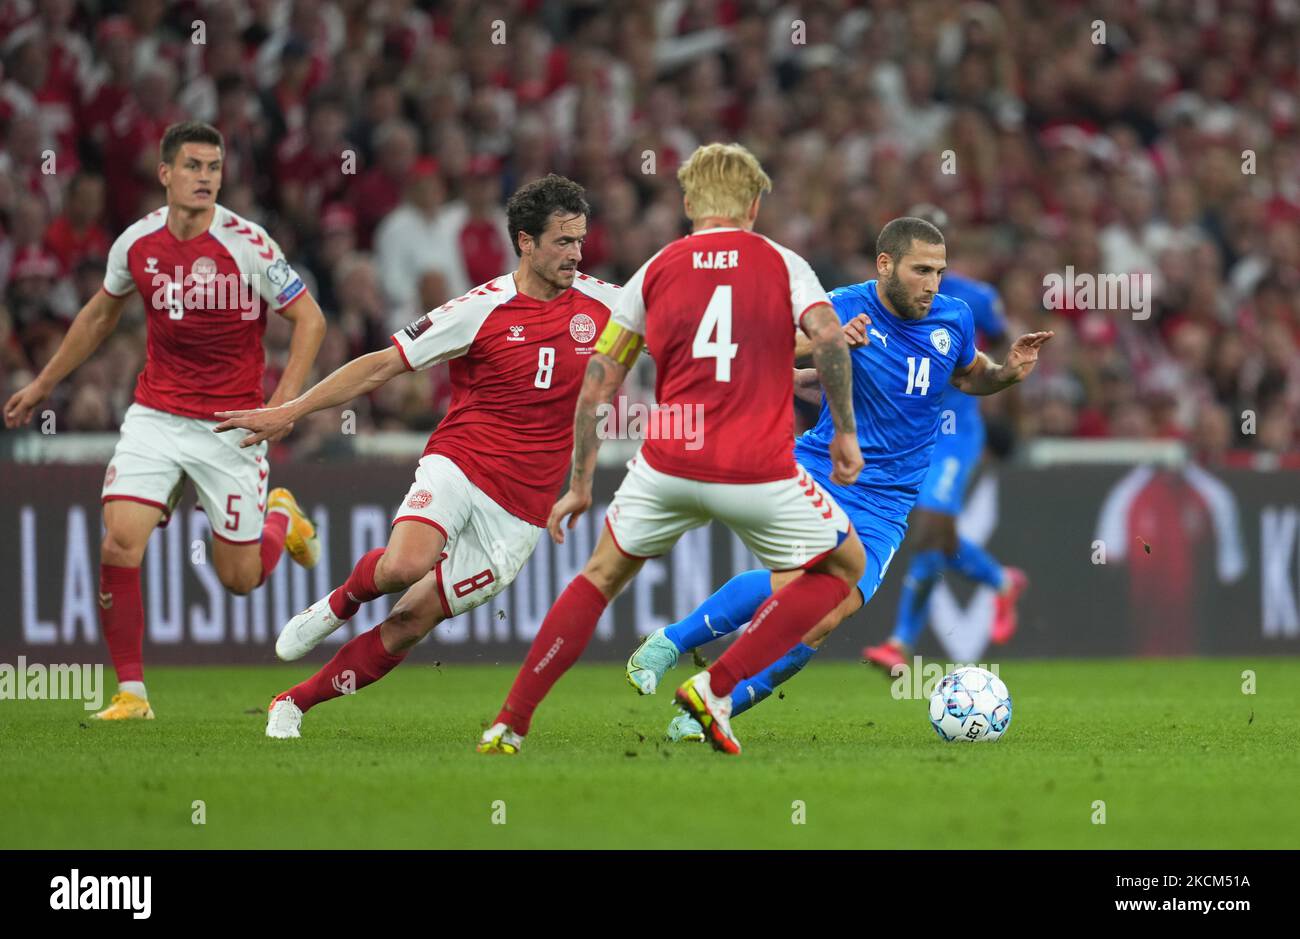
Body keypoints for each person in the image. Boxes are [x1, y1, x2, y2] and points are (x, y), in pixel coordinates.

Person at [478, 142, 865, 757]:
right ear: (755, 205)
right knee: (844, 570)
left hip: (668, 461)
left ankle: (510, 723)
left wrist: (579, 484)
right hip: (755, 467)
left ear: (688, 202)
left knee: (600, 576)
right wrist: (844, 432)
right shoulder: (782, 263)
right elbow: (828, 341)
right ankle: (716, 687)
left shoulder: (657, 267)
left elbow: (601, 376)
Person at [212, 175, 623, 740]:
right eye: (562, 241)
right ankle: (341, 601)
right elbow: (381, 365)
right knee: (404, 565)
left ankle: (293, 701)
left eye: (580, 241)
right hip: (462, 461)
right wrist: (291, 411)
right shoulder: (479, 308)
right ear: (525, 243)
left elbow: (690, 338)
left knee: (409, 621)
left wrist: (784, 354)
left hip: (521, 510)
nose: (576, 254)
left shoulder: (608, 305)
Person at [624, 216, 1053, 742]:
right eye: (921, 270)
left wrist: (1006, 373)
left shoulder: (955, 317)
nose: (933, 284)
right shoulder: (842, 306)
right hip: (824, 470)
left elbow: (968, 374)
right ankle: (671, 643)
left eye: (939, 271)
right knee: (799, 589)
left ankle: (715, 706)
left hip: (889, 501)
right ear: (885, 265)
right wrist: (826, 343)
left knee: (823, 619)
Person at [3, 121, 327, 721]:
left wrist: (283, 406)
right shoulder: (137, 244)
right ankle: (133, 694)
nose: (205, 178)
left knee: (240, 578)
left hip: (230, 425)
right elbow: (101, 316)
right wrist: (44, 383)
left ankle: (283, 517)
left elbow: (310, 320)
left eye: (214, 168)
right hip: (155, 415)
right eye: (193, 166)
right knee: (120, 542)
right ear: (165, 174)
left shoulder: (249, 245)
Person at [864, 206, 1028, 672]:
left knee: (931, 529)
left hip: (955, 434)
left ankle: (898, 644)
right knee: (941, 536)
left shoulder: (970, 300)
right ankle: (1000, 579)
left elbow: (998, 346)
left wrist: (1010, 414)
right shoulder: (884, 299)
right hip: (909, 437)